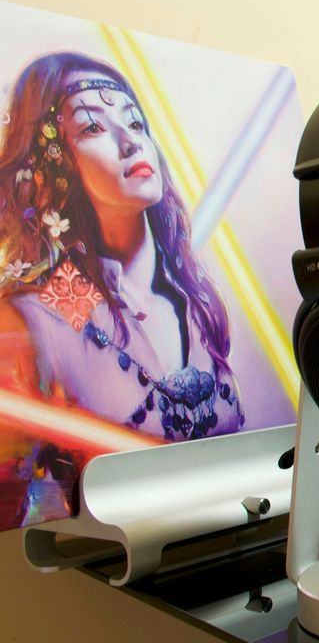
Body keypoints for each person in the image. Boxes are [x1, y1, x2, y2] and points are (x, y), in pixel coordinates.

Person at [0, 52, 244, 466]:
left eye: (135, 123)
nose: (131, 141)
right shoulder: (40, 318)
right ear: (55, 165)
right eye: (93, 127)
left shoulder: (196, 299)